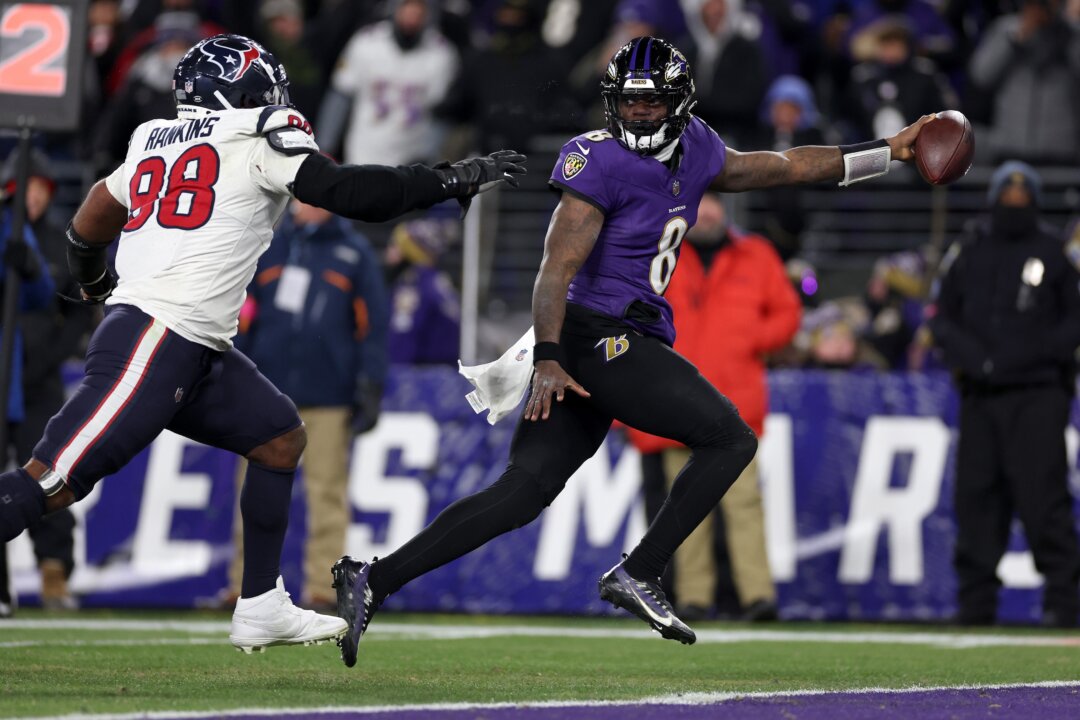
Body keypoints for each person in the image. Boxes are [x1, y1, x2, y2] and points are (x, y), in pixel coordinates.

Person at [331, 36, 936, 668]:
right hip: (594, 334)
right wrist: (548, 356)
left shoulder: (699, 147)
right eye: (629, 101)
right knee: (729, 438)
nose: (640, 113)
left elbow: (786, 166)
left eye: (651, 102)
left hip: (605, 339)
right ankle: (641, 570)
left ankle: (374, 579)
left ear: (679, 102)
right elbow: (553, 271)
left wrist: (887, 152)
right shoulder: (599, 161)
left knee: (522, 493)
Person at [0, 33, 526, 652]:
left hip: (189, 343)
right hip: (157, 334)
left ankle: (259, 604)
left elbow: (92, 214)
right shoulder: (259, 134)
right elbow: (351, 193)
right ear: (239, 92)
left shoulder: (152, 137)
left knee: (277, 437)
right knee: (52, 481)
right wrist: (448, 181)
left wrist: (93, 278)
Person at [625, 193, 800, 622]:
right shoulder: (658, 254)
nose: (708, 213)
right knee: (684, 509)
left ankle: (758, 597)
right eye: (700, 204)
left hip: (734, 405)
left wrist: (750, 340)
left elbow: (788, 314)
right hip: (675, 402)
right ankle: (693, 599)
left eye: (715, 204)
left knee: (743, 505)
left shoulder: (755, 254)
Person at [928, 161, 1080, 628]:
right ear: (993, 200)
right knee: (977, 498)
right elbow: (942, 317)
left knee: (1044, 499)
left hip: (1037, 394)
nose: (1014, 203)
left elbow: (1073, 320)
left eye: (1022, 197)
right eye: (1007, 196)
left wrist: (1027, 357)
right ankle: (975, 605)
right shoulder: (970, 249)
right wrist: (975, 360)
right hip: (981, 395)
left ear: (1034, 201)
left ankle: (1066, 602)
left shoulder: (1055, 253)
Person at [223, 197, 389, 611]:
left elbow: (374, 324)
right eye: (300, 196)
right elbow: (242, 313)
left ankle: (322, 588)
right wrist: (233, 371)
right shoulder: (269, 247)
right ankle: (246, 586)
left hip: (328, 396)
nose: (304, 204)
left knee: (327, 494)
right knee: (253, 494)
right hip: (267, 392)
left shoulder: (353, 253)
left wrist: (370, 383)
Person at [0, 149, 93, 613]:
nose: (33, 199)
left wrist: (54, 356)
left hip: (40, 381)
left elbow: (80, 311)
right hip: (3, 379)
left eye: (42, 190)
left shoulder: (59, 242)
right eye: (27, 189)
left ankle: (54, 572)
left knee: (47, 474)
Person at [0, 159, 55, 619]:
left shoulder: (9, 220)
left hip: (10, 374)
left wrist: (31, 267)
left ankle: (4, 586)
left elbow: (41, 296)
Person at [316, 0, 459, 167]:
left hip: (412, 161)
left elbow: (441, 114)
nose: (411, 20)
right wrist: (325, 148)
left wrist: (430, 155)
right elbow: (341, 95)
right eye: (407, 11)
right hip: (363, 153)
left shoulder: (441, 53)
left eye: (418, 14)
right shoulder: (367, 41)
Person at [386, 218, 461, 366]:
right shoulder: (440, 282)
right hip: (445, 376)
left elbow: (403, 338)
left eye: (395, 245)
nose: (390, 251)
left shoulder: (413, 285)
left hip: (419, 378)